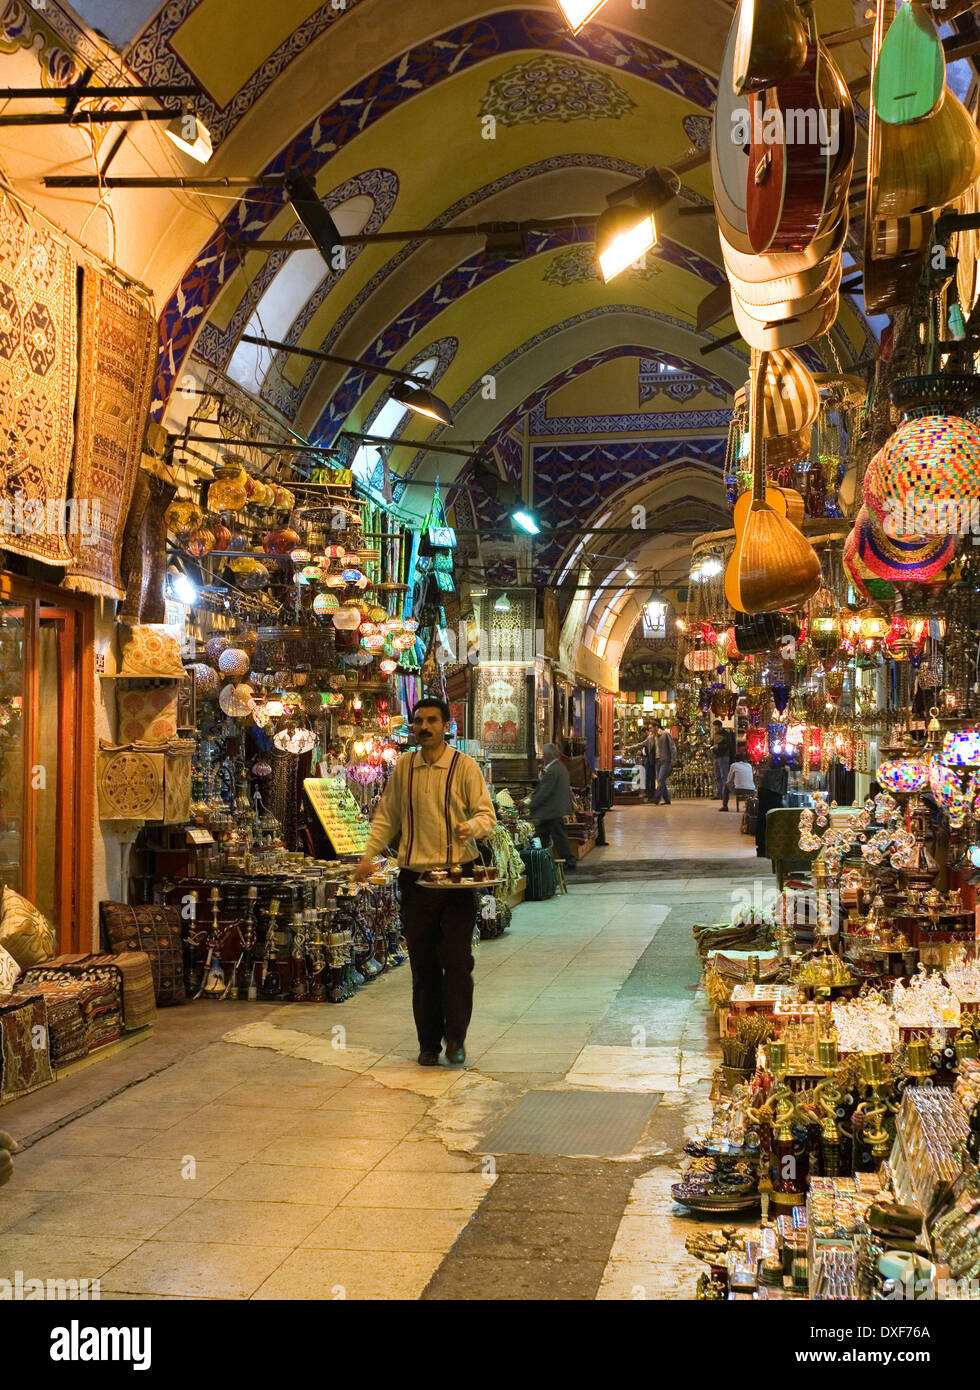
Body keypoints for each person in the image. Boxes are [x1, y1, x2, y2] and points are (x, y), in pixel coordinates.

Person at [354, 697, 496, 1068]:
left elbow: (486, 814)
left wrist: (471, 827)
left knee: (458, 961)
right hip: (416, 879)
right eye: (419, 722)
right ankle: (428, 1043)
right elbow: (388, 816)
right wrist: (369, 855)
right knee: (423, 964)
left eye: (432, 721)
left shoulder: (464, 767)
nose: (425, 727)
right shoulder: (405, 767)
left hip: (456, 879)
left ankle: (457, 1039)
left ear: (446, 725)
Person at [526, 742, 577, 872]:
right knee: (544, 836)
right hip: (553, 810)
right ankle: (539, 858)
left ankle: (565, 860)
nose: (543, 757)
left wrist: (529, 804)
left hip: (551, 811)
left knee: (549, 836)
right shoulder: (559, 768)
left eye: (544, 755)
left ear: (548, 755)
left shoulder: (553, 770)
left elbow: (544, 791)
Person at [755, 754, 788, 858]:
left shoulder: (769, 773)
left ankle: (763, 848)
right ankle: (767, 847)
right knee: (769, 820)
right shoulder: (779, 772)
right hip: (771, 795)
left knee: (763, 820)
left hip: (767, 793)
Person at [650, 719, 677, 806]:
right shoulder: (652, 737)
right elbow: (643, 744)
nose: (650, 730)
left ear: (656, 727)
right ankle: (667, 799)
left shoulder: (665, 734)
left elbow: (672, 746)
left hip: (665, 760)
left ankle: (656, 798)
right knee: (660, 780)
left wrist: (673, 759)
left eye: (651, 728)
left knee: (661, 779)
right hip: (657, 760)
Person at [712, 719, 736, 801]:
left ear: (720, 727)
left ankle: (724, 794)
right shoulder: (715, 734)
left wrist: (718, 747)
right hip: (716, 756)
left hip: (724, 756)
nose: (715, 729)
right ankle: (719, 794)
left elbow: (728, 745)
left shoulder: (726, 734)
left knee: (724, 776)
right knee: (717, 776)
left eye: (716, 728)